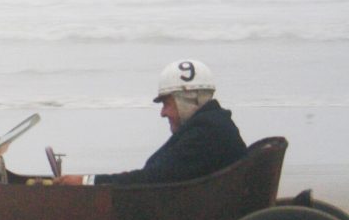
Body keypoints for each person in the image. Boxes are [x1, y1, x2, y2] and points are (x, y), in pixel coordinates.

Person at [57, 59, 247, 185]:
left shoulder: (206, 132)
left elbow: (152, 180)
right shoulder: (213, 125)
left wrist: (87, 182)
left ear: (188, 100)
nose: (163, 113)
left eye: (167, 104)